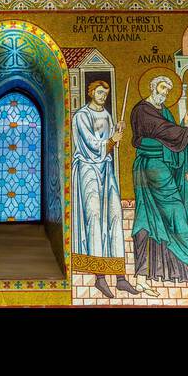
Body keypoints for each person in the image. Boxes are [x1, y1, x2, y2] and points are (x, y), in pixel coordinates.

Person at [129, 75, 188, 301]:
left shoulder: (165, 112)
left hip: (161, 167)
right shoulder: (143, 110)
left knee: (153, 219)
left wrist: (185, 124)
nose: (165, 92)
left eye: (168, 89)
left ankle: (154, 279)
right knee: (156, 217)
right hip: (150, 168)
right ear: (151, 86)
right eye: (162, 87)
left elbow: (174, 139)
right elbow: (171, 135)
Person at [71, 80, 138, 298]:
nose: (102, 96)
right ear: (91, 92)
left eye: (105, 93)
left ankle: (120, 278)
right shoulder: (81, 115)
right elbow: (90, 143)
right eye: (99, 92)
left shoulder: (107, 115)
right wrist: (110, 140)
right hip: (88, 170)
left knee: (115, 217)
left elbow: (111, 145)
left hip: (106, 170)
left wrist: (117, 132)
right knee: (94, 217)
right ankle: (100, 278)